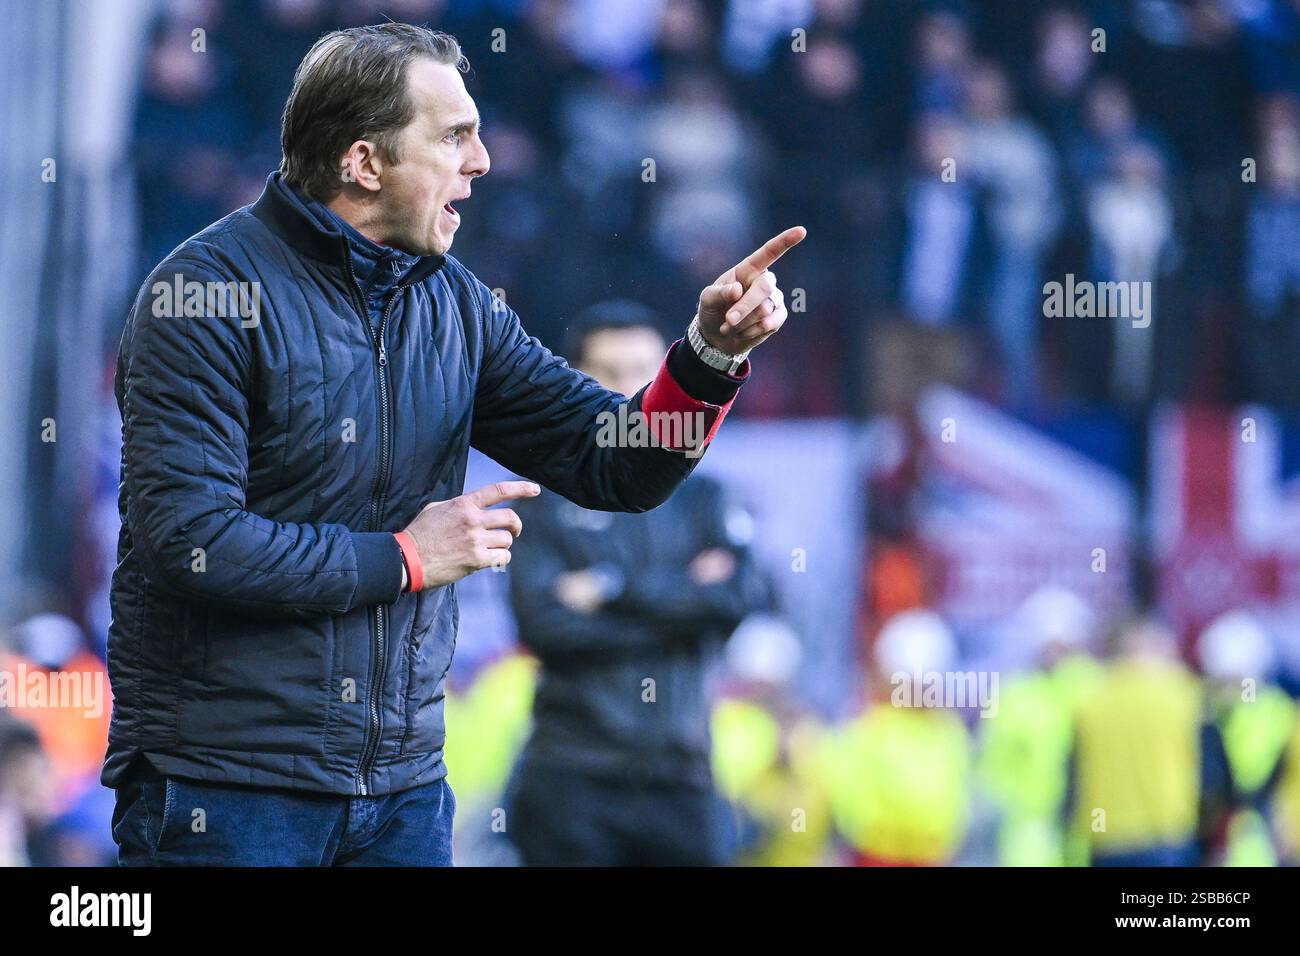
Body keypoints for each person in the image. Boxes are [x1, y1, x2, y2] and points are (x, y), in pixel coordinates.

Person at [105, 23, 804, 866]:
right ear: (364, 163)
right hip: (226, 789)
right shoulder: (204, 294)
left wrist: (709, 358)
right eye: (452, 138)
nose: (481, 162)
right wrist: (405, 556)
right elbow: (195, 543)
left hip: (401, 794)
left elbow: (617, 461)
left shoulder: (457, 306)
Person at [505, 303, 767, 866]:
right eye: (611, 372)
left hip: (682, 779)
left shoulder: (707, 497)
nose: (630, 390)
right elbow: (544, 624)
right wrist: (680, 606)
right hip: (572, 775)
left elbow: (734, 599)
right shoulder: (542, 501)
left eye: (644, 372)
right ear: (573, 378)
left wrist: (610, 592)